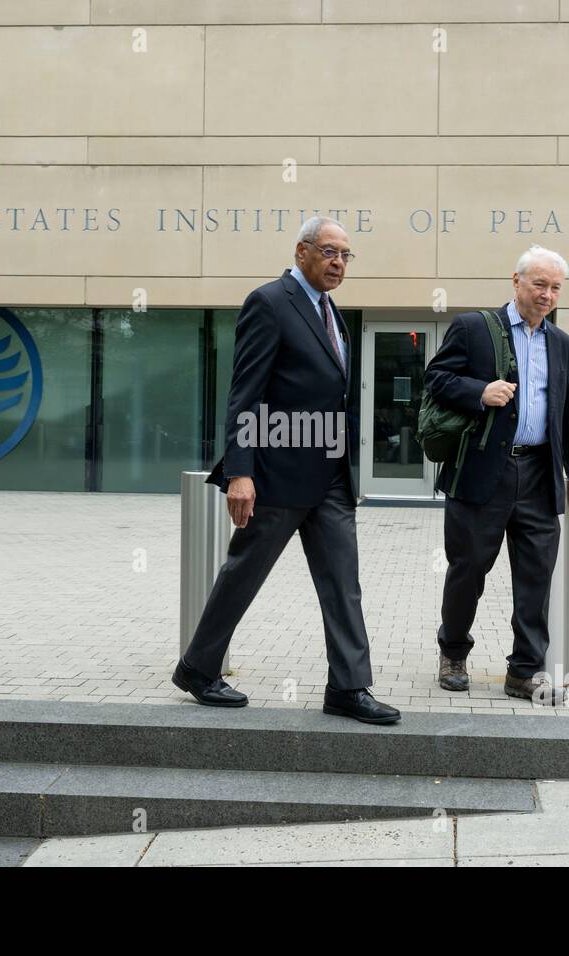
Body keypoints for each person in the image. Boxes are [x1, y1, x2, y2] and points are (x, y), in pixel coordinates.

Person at [171, 217, 401, 725]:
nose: (339, 263)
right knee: (244, 574)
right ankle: (197, 667)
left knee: (343, 582)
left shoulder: (332, 313)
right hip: (276, 472)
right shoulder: (271, 302)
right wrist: (240, 472)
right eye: (329, 252)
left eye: (346, 255)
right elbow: (245, 394)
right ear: (301, 253)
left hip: (331, 476)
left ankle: (347, 687)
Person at [424, 244, 569, 703]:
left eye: (555, 287)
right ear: (515, 281)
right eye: (539, 284)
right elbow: (436, 378)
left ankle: (524, 669)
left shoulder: (562, 343)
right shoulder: (474, 328)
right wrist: (480, 390)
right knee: (469, 568)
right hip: (482, 472)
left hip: (540, 472)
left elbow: (565, 410)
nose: (547, 294)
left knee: (537, 575)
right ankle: (453, 652)